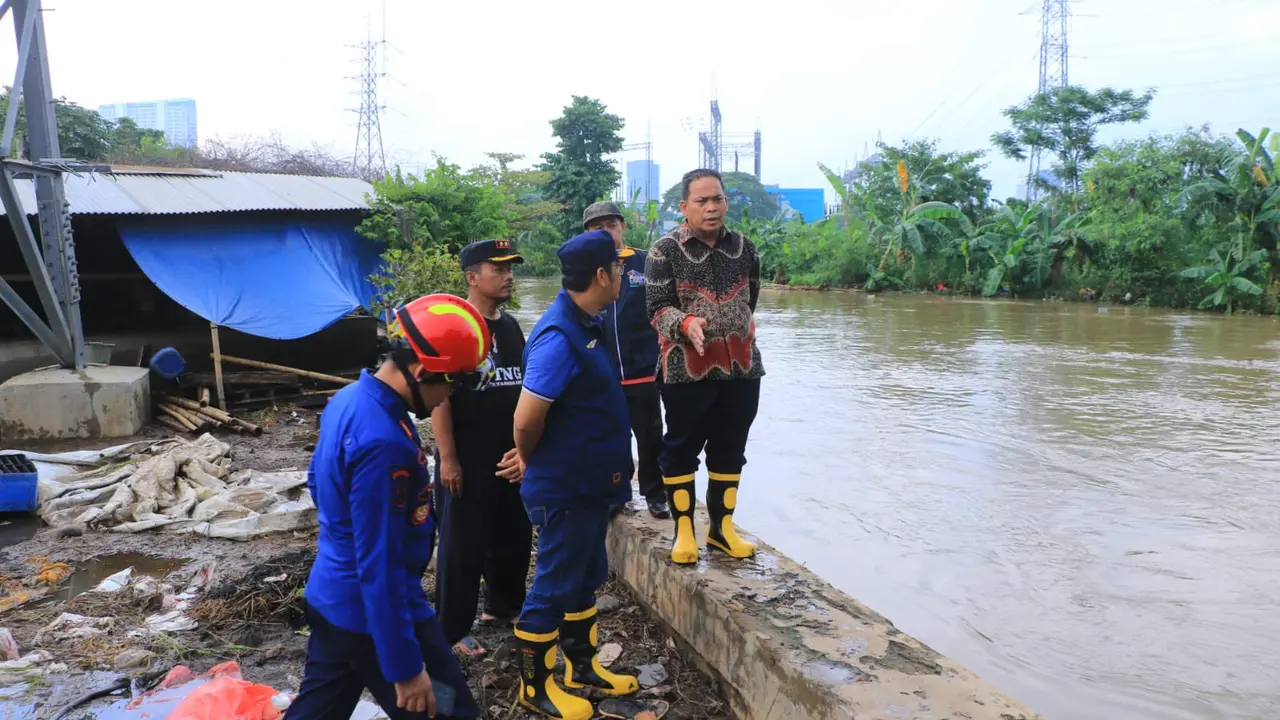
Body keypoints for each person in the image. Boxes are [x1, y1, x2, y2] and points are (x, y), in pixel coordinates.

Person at [285, 294, 495, 720]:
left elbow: (317, 482)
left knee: (320, 708)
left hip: (330, 595)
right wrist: (404, 668)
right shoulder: (384, 443)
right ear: (420, 372)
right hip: (373, 610)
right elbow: (378, 564)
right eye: (451, 383)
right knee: (451, 711)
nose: (448, 396)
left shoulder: (349, 399)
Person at [510, 230, 641, 719]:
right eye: (620, 267)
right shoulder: (558, 337)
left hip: (589, 484)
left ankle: (581, 668)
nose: (626, 275)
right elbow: (526, 418)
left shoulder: (591, 319)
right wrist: (530, 457)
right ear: (602, 275)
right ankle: (534, 688)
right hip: (566, 487)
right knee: (553, 586)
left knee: (586, 577)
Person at [645, 168, 765, 566]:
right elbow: (656, 309)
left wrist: (735, 325)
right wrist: (684, 323)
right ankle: (684, 532)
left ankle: (721, 530)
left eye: (718, 199)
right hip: (686, 370)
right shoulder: (665, 251)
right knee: (680, 450)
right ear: (685, 206)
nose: (712, 208)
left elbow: (752, 298)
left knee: (731, 449)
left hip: (741, 368)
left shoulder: (745, 248)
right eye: (702, 201)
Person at [431, 239, 531, 658]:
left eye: (510, 269)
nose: (508, 276)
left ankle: (503, 607)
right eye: (498, 269)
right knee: (461, 545)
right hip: (467, 456)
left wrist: (527, 450)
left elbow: (527, 388)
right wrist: (449, 459)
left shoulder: (509, 327)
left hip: (509, 456)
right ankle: (451, 629)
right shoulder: (455, 326)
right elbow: (439, 397)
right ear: (472, 277)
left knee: (513, 534)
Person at [582, 201, 670, 520]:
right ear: (587, 233)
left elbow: (665, 310)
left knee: (650, 437)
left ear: (622, 227)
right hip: (603, 376)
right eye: (598, 227)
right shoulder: (586, 272)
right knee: (611, 438)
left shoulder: (646, 263)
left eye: (611, 225)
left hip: (644, 372)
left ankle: (655, 493)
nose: (606, 232)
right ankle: (616, 494)